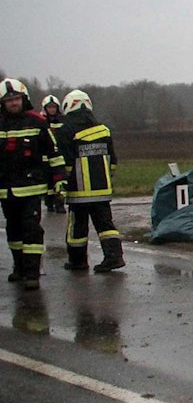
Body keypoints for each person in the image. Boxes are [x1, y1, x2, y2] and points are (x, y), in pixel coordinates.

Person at [0, 78, 66, 290]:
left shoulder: (37, 121)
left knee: (32, 230)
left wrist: (59, 181)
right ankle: (19, 267)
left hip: (31, 188)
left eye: (16, 98)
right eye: (8, 100)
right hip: (6, 189)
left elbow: (54, 154)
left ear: (24, 98)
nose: (13, 103)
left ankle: (32, 273)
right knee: (13, 230)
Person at [56, 90, 124, 272]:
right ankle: (114, 257)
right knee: (106, 225)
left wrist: (62, 185)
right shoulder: (103, 129)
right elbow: (113, 160)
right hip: (101, 190)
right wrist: (108, 179)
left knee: (77, 228)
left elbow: (66, 162)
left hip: (78, 190)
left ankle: (78, 261)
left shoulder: (66, 130)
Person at [41, 96, 66, 213]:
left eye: (54, 107)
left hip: (60, 156)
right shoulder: (41, 121)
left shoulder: (62, 121)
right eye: (49, 107)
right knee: (48, 182)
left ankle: (60, 203)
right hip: (45, 157)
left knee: (60, 180)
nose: (52, 109)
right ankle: (49, 202)